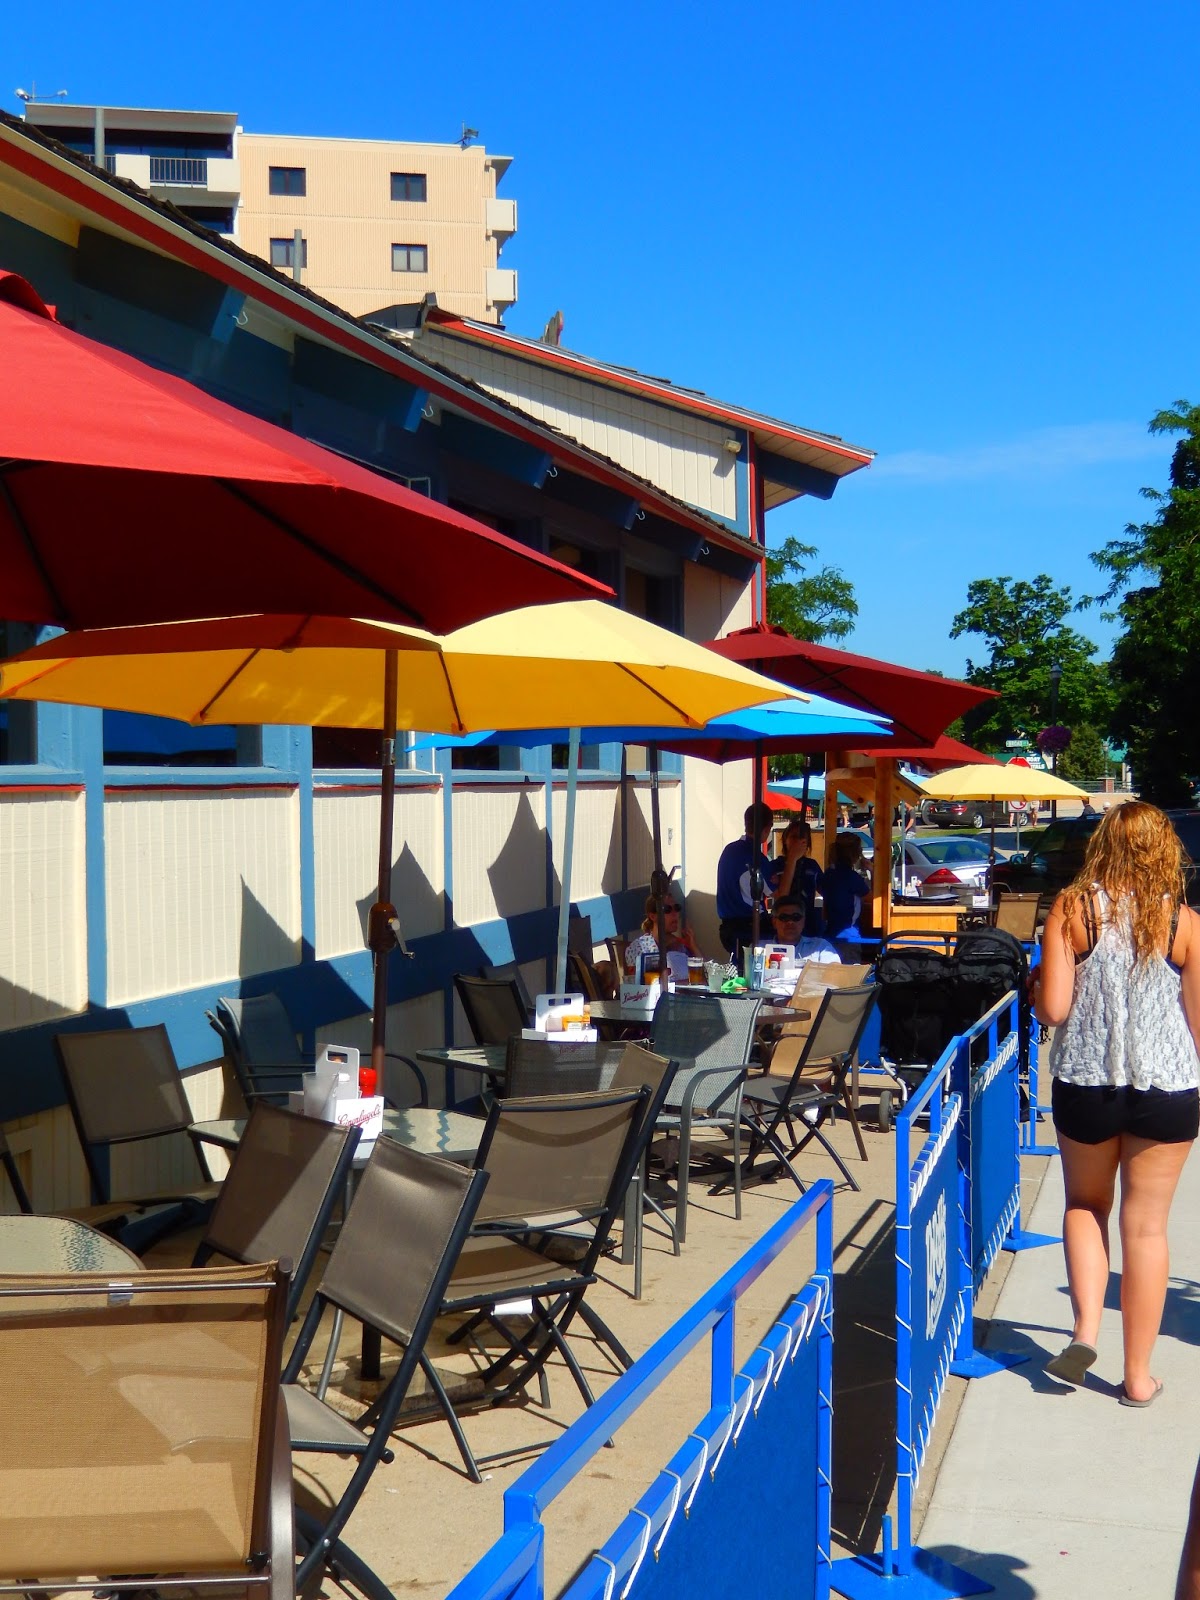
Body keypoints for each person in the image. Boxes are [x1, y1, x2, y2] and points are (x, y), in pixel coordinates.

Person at [1034, 801, 1200, 1406]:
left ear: (1102, 844)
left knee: (1084, 1204)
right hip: (1168, 1091)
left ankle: (1084, 1332)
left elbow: (1053, 1010)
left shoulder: (1072, 911)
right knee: (1147, 1228)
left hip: (1086, 1084)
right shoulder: (1185, 923)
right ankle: (1137, 1376)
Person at [716, 801, 774, 960]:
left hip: (727, 927)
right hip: (750, 926)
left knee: (739, 968)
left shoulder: (729, 850)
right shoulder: (757, 857)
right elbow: (777, 893)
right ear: (766, 829)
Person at [770, 820, 824, 935]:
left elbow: (826, 891)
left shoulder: (811, 865)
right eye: (793, 837)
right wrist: (792, 858)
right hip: (784, 923)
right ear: (785, 840)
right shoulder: (775, 865)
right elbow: (780, 896)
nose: (797, 842)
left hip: (809, 924)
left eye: (801, 838)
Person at [625, 893, 703, 971]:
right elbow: (635, 981)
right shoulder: (639, 947)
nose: (675, 914)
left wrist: (694, 947)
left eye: (676, 908)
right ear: (653, 916)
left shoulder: (683, 946)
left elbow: (707, 976)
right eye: (667, 909)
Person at [822, 832, 872, 941]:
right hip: (849, 934)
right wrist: (872, 870)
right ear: (856, 854)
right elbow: (873, 898)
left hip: (830, 932)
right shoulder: (851, 877)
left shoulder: (829, 873)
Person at [769, 894, 840, 964]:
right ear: (774, 922)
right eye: (784, 917)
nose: (790, 922)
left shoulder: (820, 947)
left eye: (796, 917)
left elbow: (835, 971)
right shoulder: (760, 950)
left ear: (803, 921)